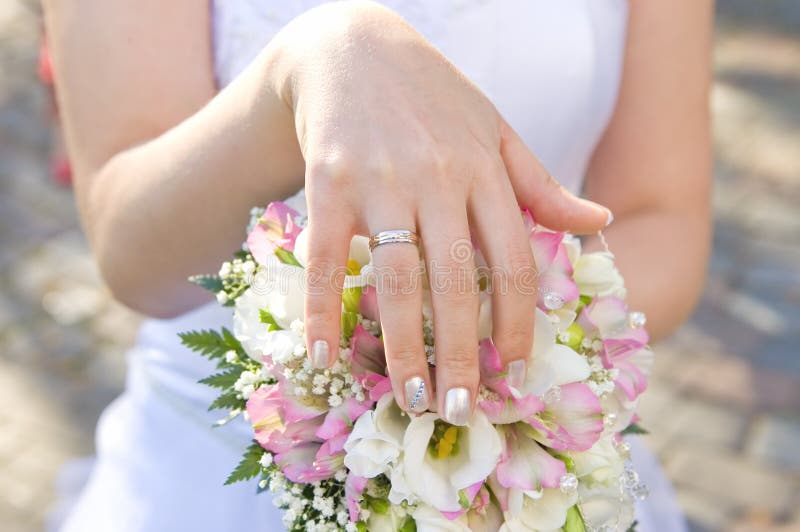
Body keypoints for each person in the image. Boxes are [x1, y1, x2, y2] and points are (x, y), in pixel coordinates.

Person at [43, 1, 712, 530]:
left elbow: (657, 221)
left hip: (522, 477)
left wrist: (503, 356)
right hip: (216, 470)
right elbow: (129, 252)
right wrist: (299, 71)